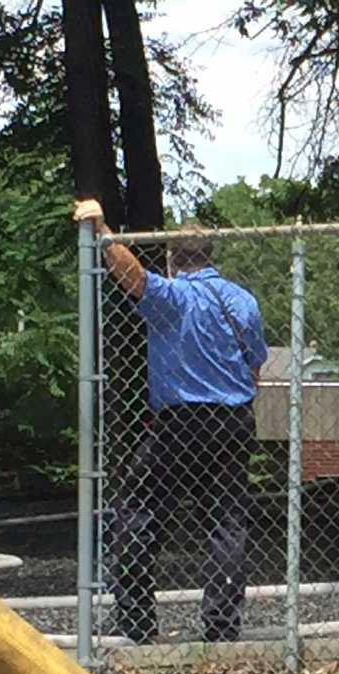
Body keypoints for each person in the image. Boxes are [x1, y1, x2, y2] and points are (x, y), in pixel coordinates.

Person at [74, 199, 268, 644]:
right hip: (234, 421)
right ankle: (221, 628)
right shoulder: (244, 302)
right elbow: (256, 367)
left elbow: (134, 277)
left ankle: (139, 624)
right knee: (226, 524)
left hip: (179, 424)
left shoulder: (174, 298)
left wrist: (103, 230)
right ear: (211, 256)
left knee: (139, 515)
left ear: (174, 259)